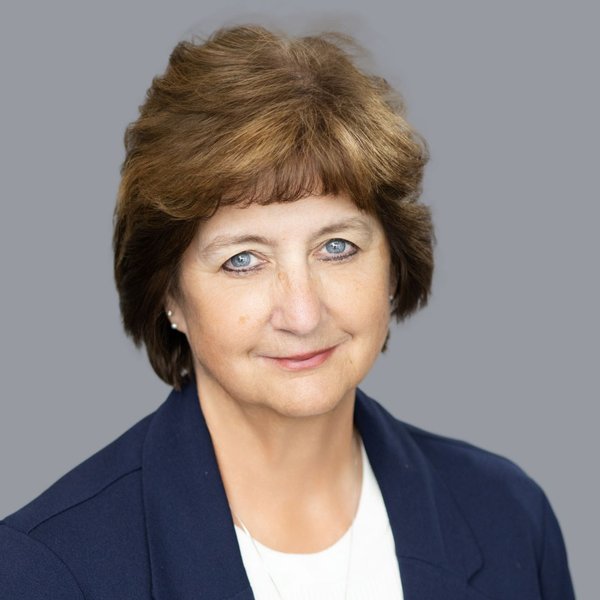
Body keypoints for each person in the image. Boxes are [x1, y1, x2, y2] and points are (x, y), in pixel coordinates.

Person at [0, 24, 575, 600]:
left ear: (394, 267)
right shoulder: (45, 570)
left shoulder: (509, 517)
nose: (301, 314)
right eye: (243, 260)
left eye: (337, 247)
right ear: (168, 294)